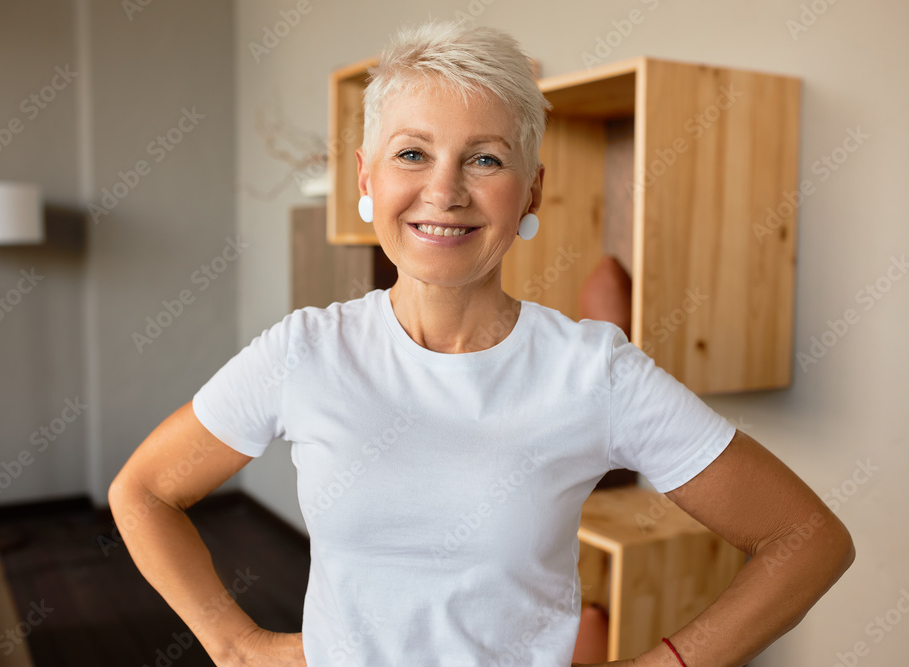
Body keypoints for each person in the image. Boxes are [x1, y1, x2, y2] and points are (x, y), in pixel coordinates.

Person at [108, 19, 855, 666]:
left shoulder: (593, 372)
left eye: (485, 158)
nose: (446, 190)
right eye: (412, 153)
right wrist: (234, 645)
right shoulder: (305, 351)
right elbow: (142, 491)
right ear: (365, 178)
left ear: (530, 188)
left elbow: (806, 536)